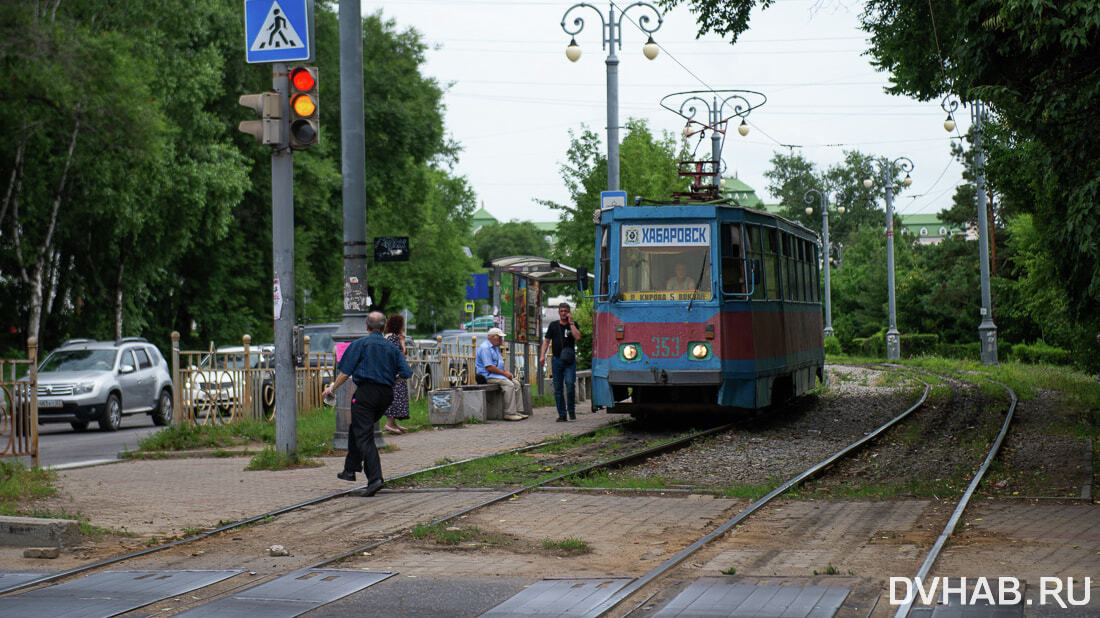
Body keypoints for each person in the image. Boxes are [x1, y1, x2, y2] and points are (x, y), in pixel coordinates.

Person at [322, 311, 412, 497]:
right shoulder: (392, 348)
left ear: (366, 326)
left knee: (364, 435)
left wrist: (331, 389)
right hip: (386, 394)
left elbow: (345, 372)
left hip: (366, 394)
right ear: (384, 326)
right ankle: (350, 469)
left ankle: (375, 479)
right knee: (358, 428)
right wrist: (389, 377)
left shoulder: (359, 345)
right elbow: (406, 373)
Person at [540, 303, 583, 422]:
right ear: (559, 312)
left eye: (566, 311)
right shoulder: (553, 325)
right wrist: (542, 356)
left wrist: (571, 323)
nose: (563, 313)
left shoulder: (573, 325)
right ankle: (562, 414)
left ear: (569, 312)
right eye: (562, 311)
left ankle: (571, 410)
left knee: (570, 384)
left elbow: (578, 337)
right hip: (557, 359)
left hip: (569, 361)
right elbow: (546, 341)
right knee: (558, 388)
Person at [475, 327, 527, 421]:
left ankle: (518, 411)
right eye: (499, 337)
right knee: (509, 385)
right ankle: (509, 413)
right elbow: (489, 367)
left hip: (496, 375)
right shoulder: (485, 348)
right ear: (492, 337)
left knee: (516, 383)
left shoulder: (495, 348)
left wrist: (506, 372)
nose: (501, 340)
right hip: (487, 376)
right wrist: (504, 374)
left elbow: (498, 364)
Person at [382, 313, 410, 434]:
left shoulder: (387, 336)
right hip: (394, 373)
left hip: (389, 371)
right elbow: (400, 354)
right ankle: (389, 424)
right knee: (395, 397)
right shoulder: (393, 337)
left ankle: (393, 423)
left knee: (394, 396)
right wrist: (403, 340)